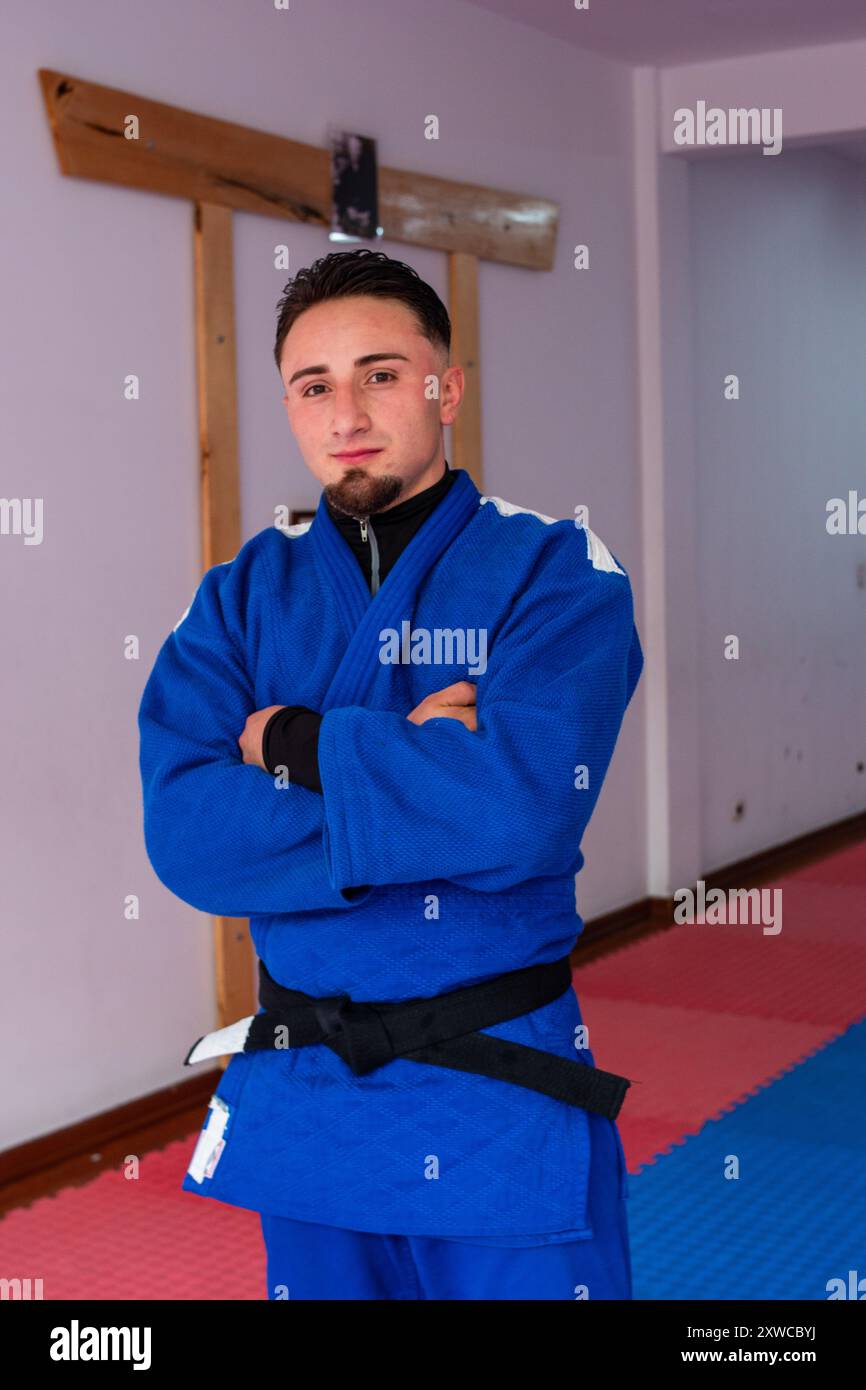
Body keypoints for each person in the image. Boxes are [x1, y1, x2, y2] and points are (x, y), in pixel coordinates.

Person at [137, 248, 643, 1300]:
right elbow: (190, 836)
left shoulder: (555, 573)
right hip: (310, 1091)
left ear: (444, 386)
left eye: (381, 372)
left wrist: (297, 746)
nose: (346, 411)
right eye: (313, 385)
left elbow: (525, 806)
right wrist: (421, 766)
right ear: (287, 405)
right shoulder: (236, 600)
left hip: (498, 1085)